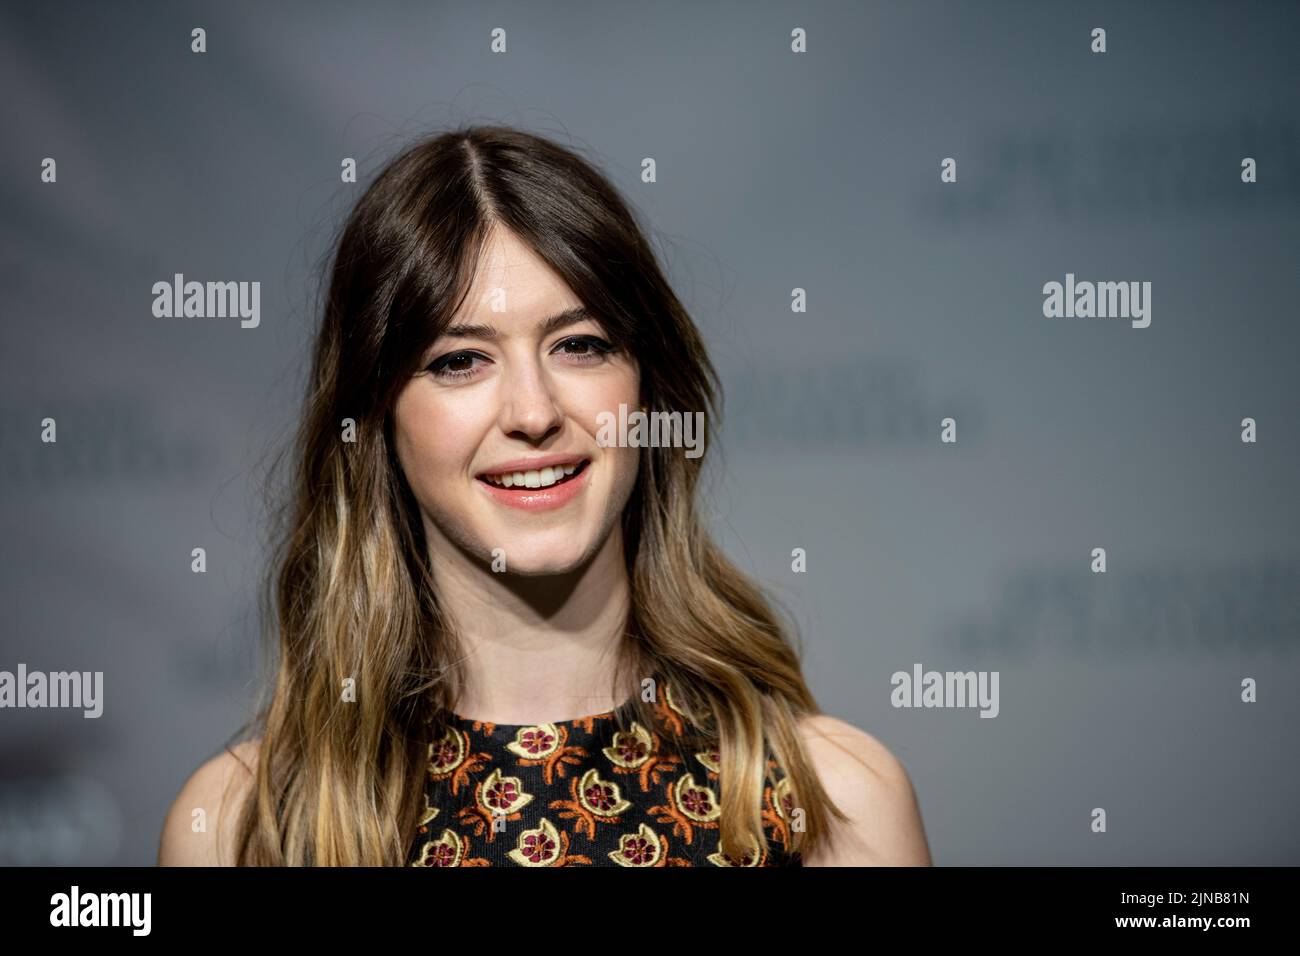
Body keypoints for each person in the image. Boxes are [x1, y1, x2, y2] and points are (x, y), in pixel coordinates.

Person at [157, 125, 931, 867]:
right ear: (376, 419)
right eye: (460, 360)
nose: (534, 413)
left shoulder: (831, 802)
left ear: (649, 394)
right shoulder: (243, 829)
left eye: (580, 345)